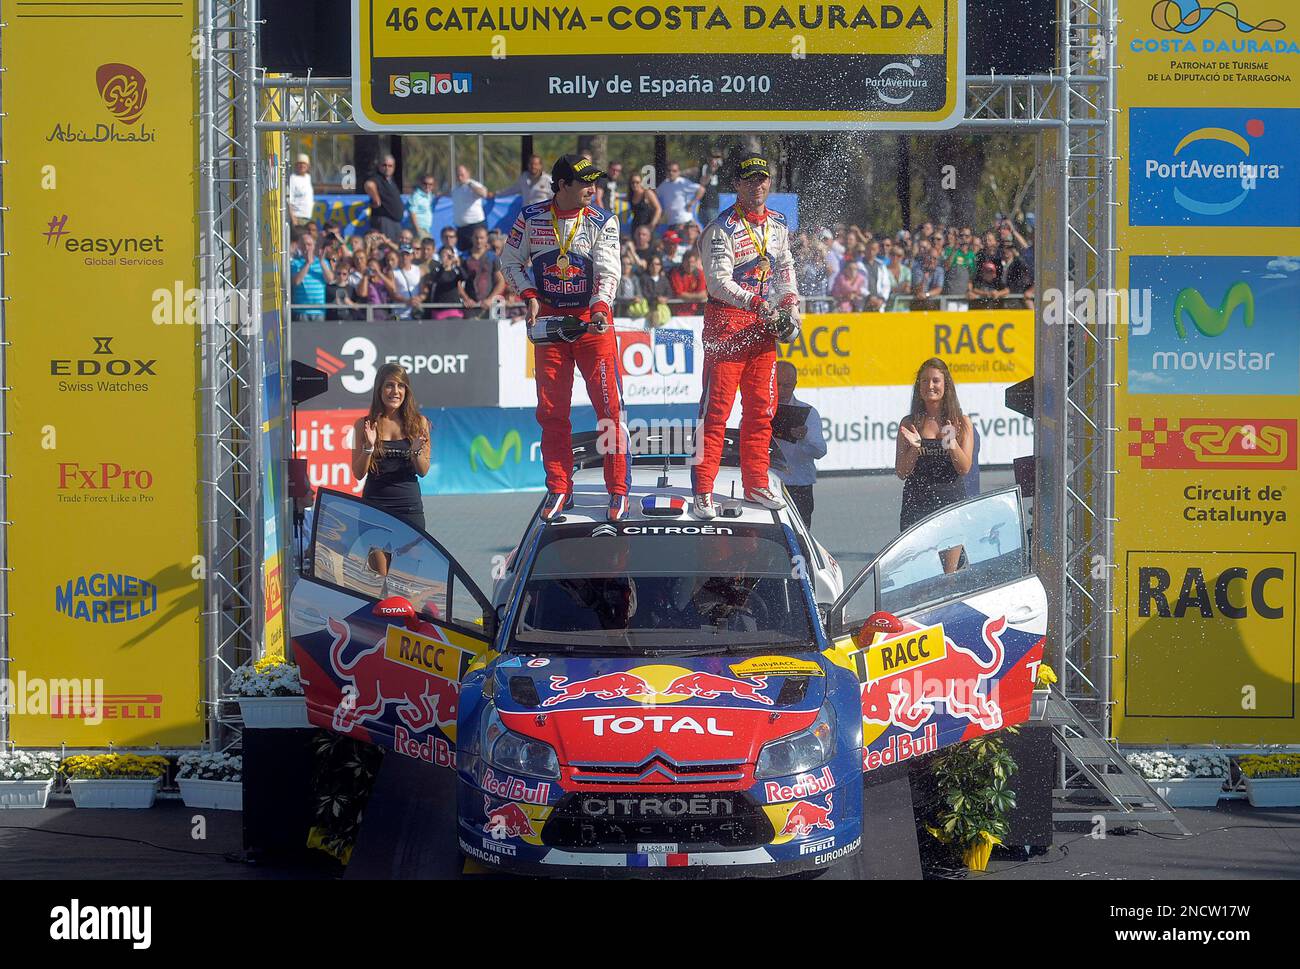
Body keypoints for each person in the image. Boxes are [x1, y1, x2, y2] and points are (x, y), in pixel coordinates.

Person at [501, 153, 630, 522]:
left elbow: (608, 270)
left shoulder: (603, 220)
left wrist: (602, 307)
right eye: (585, 182)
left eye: (595, 181)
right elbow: (508, 262)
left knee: (610, 410)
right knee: (552, 413)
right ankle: (559, 488)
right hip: (551, 324)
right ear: (561, 186)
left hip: (593, 323)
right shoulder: (530, 217)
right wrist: (528, 296)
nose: (593, 188)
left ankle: (618, 490)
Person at [692, 153, 800, 517]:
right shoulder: (722, 228)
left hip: (762, 326)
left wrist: (791, 309)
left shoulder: (779, 225)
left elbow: (785, 272)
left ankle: (755, 483)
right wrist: (756, 302)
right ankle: (704, 489)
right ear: (736, 185)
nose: (758, 185)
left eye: (763, 179)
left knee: (761, 411)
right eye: (750, 179)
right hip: (726, 325)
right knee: (716, 412)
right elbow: (718, 283)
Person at [895, 357, 974, 535]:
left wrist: (951, 442)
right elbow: (901, 472)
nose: (930, 385)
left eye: (935, 380)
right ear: (918, 387)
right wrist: (915, 447)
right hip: (916, 503)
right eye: (924, 381)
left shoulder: (962, 422)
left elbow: (964, 468)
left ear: (946, 386)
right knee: (917, 563)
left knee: (950, 564)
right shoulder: (909, 423)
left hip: (950, 502)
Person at [352, 362, 432, 534]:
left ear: (406, 391)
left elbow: (423, 471)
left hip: (410, 510)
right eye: (389, 385)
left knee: (408, 562)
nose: (395, 391)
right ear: (379, 390)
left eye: (401, 386)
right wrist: (369, 447)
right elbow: (358, 474)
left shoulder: (420, 423)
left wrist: (416, 451)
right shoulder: (363, 425)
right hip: (374, 510)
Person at [772, 361, 826, 527]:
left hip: (799, 486)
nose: (781, 390)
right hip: (769, 485)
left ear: (795, 385)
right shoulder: (757, 411)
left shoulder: (809, 412)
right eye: (777, 384)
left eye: (787, 386)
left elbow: (820, 451)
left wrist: (804, 437)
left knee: (801, 535)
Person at [460, 225, 505, 318]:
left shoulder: (492, 257)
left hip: (489, 306)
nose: (479, 240)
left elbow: (501, 282)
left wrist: (490, 299)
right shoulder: (464, 257)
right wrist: (466, 299)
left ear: (486, 239)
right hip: (470, 307)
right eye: (476, 237)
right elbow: (458, 283)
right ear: (472, 238)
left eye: (481, 238)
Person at [290, 229, 333, 321]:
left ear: (314, 246)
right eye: (304, 244)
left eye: (309, 244)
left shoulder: (323, 262)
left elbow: (330, 280)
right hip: (301, 311)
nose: (306, 247)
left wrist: (321, 262)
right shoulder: (295, 263)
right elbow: (296, 282)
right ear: (300, 246)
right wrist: (307, 263)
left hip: (319, 311)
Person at [451, 164, 492, 252]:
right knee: (465, 254)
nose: (460, 177)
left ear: (468, 174)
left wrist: (470, 185)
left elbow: (484, 193)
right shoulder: (455, 188)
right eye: (458, 175)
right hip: (461, 228)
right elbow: (448, 194)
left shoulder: (473, 184)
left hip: (475, 226)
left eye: (462, 175)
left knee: (479, 252)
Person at [364, 155, 404, 242]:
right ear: (379, 166)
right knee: (386, 248)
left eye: (390, 166)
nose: (387, 168)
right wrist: (376, 199)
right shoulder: (377, 178)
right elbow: (369, 185)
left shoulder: (390, 180)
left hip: (395, 222)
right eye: (384, 165)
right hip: (384, 220)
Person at [421, 246, 468, 319]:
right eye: (444, 255)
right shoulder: (436, 270)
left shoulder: (456, 271)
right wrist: (443, 266)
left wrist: (458, 265)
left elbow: (465, 277)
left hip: (454, 309)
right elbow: (437, 279)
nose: (447, 258)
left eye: (449, 255)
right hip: (439, 310)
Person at [656, 161, 703, 228]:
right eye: (669, 170)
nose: (671, 173)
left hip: (685, 221)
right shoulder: (664, 185)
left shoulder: (683, 182)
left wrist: (692, 203)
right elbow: (655, 195)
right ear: (666, 172)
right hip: (671, 223)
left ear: (678, 172)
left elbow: (701, 189)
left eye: (674, 171)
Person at [668, 249, 708, 316]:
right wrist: (697, 297)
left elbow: (703, 294)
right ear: (683, 262)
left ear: (696, 262)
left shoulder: (700, 273)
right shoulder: (676, 273)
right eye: (687, 262)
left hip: (696, 311)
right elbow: (679, 294)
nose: (690, 265)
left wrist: (688, 296)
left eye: (692, 262)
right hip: (678, 311)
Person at [698, 148, 726, 226]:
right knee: (710, 229)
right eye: (714, 157)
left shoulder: (721, 169)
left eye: (718, 157)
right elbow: (703, 182)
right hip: (706, 204)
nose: (715, 160)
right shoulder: (705, 168)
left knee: (714, 228)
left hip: (715, 204)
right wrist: (711, 170)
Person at [407, 174, 438, 241]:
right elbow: (412, 213)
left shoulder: (429, 195)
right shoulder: (416, 196)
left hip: (426, 229)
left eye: (430, 184)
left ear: (433, 186)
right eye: (425, 183)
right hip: (419, 229)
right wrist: (417, 230)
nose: (427, 186)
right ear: (421, 184)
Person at [288, 153, 314, 227]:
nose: (302, 166)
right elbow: (288, 200)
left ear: (308, 166)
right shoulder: (292, 179)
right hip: (298, 217)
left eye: (304, 164)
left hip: (307, 217)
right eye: (300, 164)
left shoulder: (308, 177)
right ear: (296, 165)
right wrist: (293, 219)